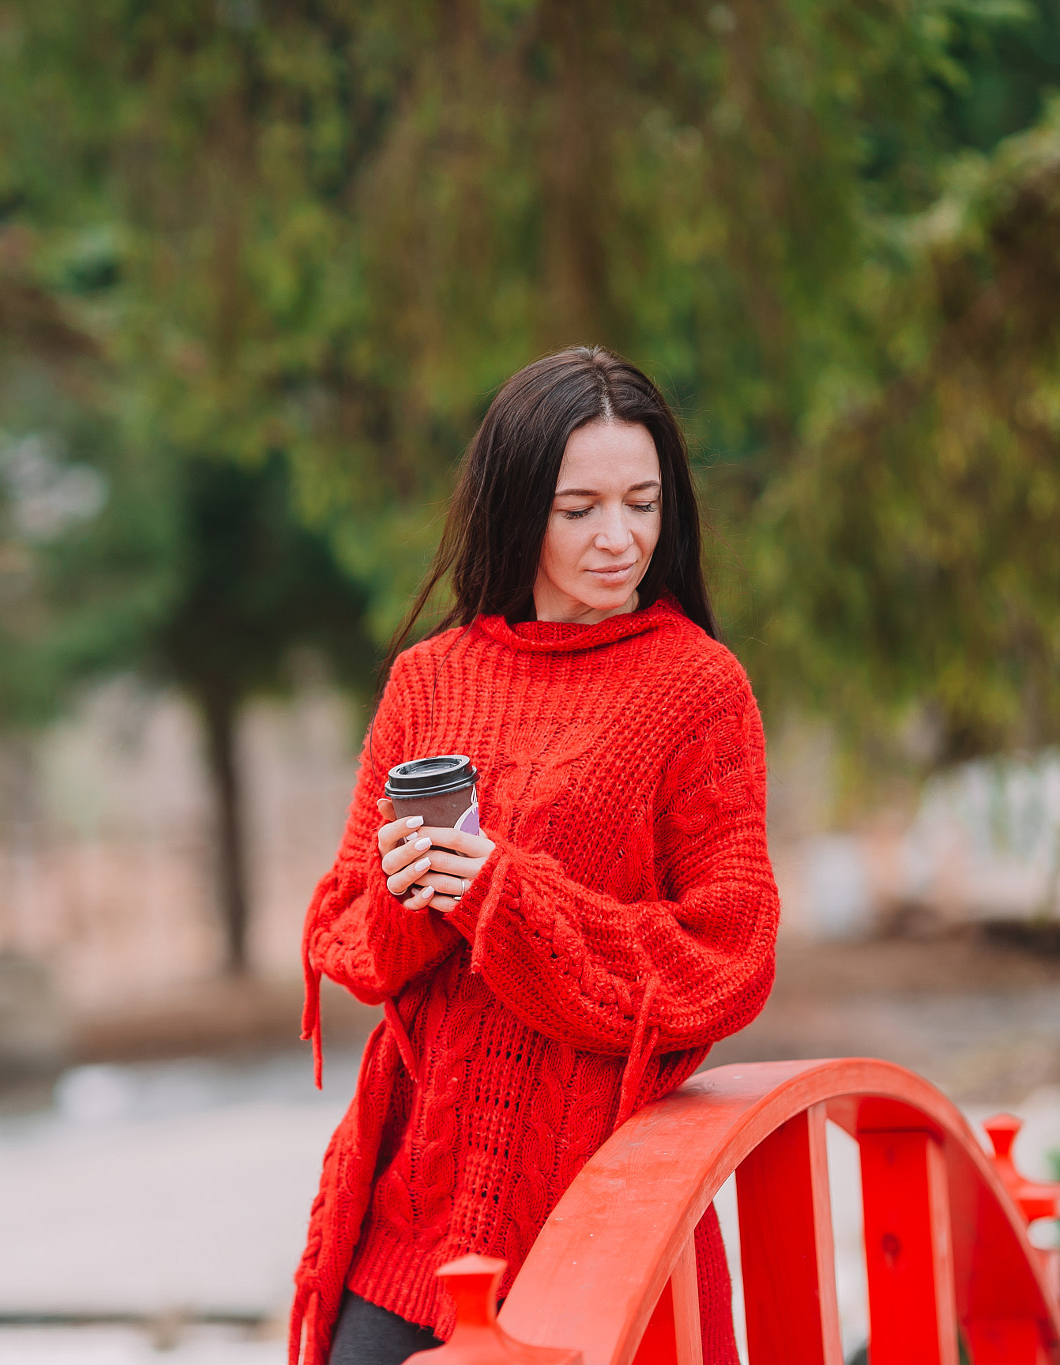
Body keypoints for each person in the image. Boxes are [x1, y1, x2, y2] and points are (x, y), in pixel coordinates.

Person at [291, 347, 779, 1365]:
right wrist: (417, 887)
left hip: (604, 1218)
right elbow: (345, 932)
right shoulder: (428, 680)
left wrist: (505, 895)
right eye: (579, 509)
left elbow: (727, 955)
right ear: (517, 510)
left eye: (642, 503)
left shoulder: (696, 688)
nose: (618, 539)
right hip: (410, 1215)